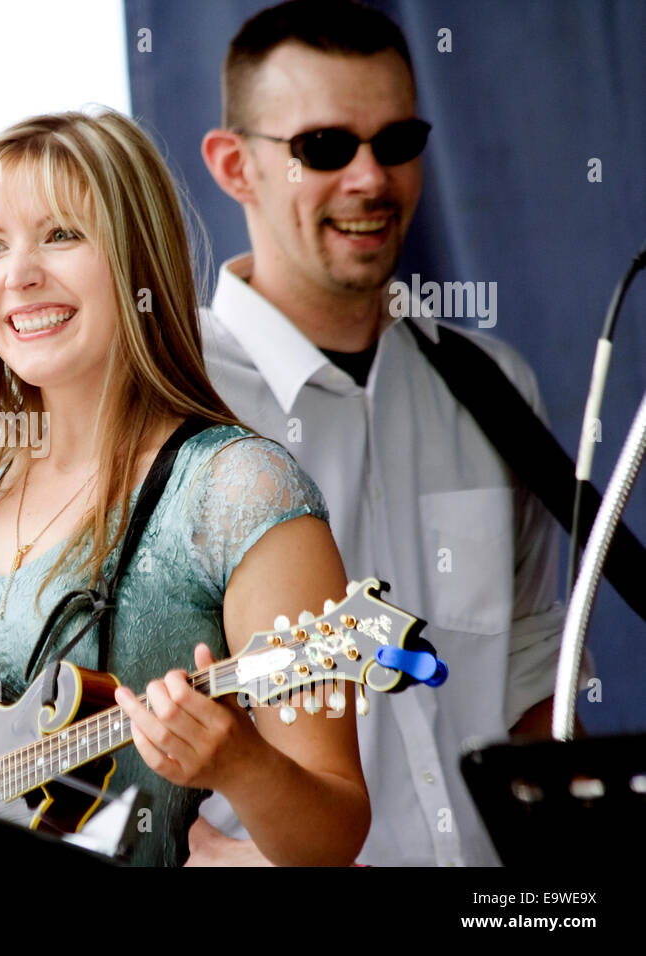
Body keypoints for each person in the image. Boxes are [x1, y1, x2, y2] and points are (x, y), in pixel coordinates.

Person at [0, 109, 370, 866]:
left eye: (62, 235)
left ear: (141, 265)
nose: (20, 273)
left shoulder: (236, 488)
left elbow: (333, 836)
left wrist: (241, 763)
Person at [190, 0, 568, 866]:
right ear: (234, 166)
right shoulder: (168, 398)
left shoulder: (497, 387)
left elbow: (537, 688)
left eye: (396, 143)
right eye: (325, 148)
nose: (371, 178)